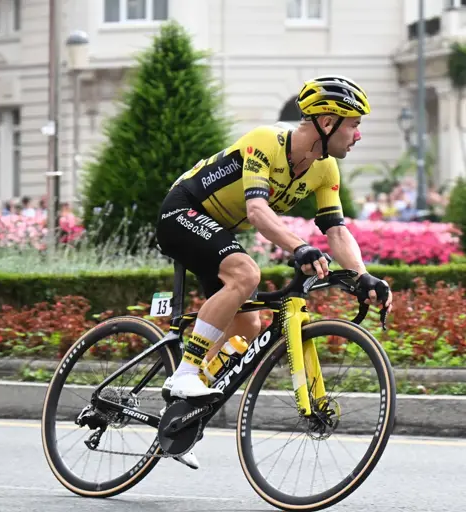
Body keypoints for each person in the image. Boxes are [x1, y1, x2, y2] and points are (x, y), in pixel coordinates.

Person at [154, 75, 393, 468]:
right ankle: (185, 373)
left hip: (218, 229)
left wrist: (362, 275)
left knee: (247, 327)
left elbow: (336, 229)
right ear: (328, 121)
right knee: (246, 274)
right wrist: (298, 247)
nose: (358, 135)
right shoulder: (266, 141)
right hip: (182, 212)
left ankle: (181, 415)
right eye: (354, 124)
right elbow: (257, 211)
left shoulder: (325, 169)